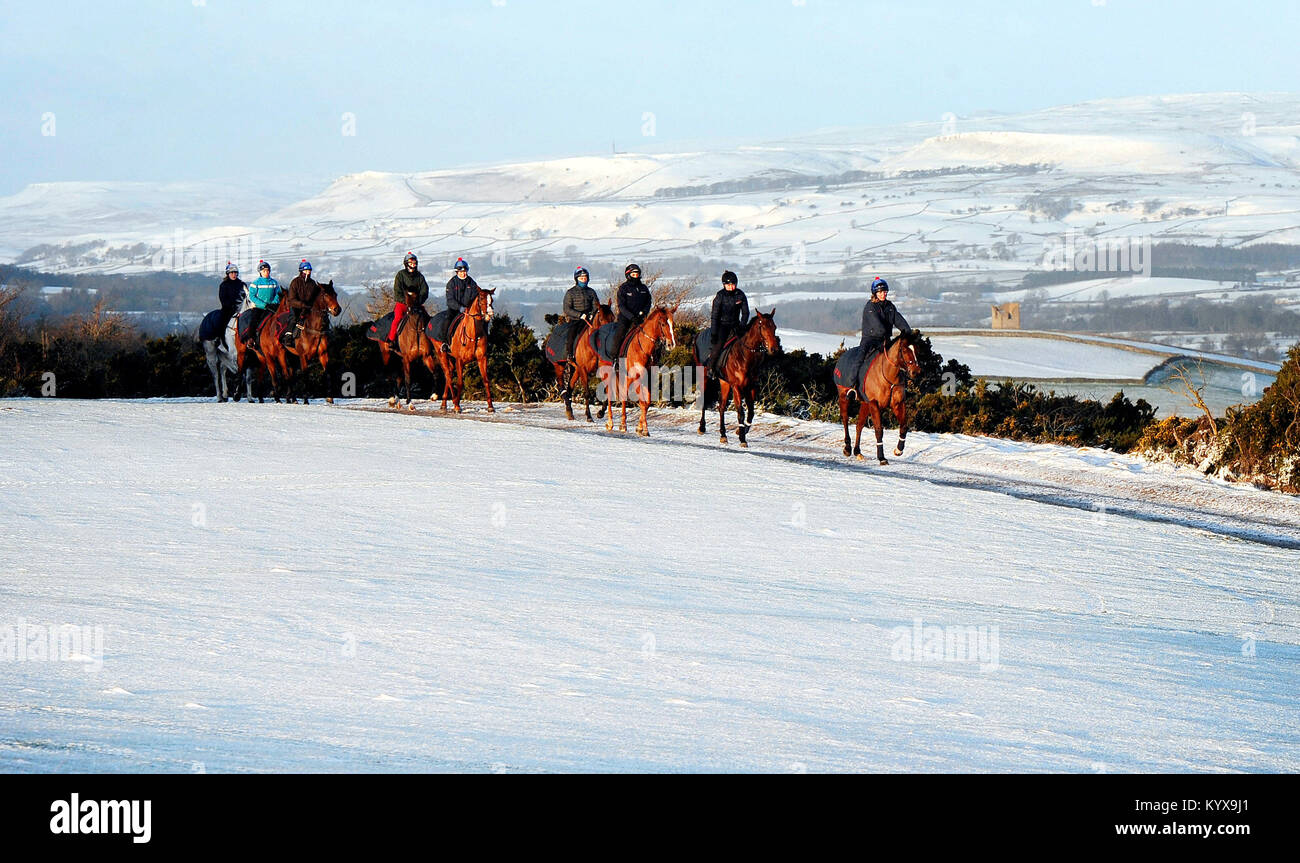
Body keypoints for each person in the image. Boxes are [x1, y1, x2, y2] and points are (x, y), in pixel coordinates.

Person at [855, 276, 913, 384]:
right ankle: (852, 386)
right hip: (870, 340)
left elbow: (899, 320)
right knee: (859, 359)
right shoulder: (870, 307)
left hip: (885, 340)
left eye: (885, 292)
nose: (883, 294)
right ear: (875, 293)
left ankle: (904, 384)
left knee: (900, 358)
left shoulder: (890, 306)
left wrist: (908, 332)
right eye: (880, 292)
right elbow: (878, 326)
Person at [707, 270, 749, 377]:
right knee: (719, 345)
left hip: (736, 325)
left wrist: (742, 326)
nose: (731, 287)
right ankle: (711, 368)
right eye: (728, 285)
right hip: (723, 325)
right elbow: (715, 316)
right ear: (724, 285)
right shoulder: (720, 296)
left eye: (732, 285)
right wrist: (714, 333)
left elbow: (745, 312)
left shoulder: (740, 295)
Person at [434, 258, 480, 352]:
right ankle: (445, 343)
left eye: (465, 271)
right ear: (457, 272)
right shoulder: (451, 283)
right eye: (461, 272)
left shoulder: (472, 283)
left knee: (481, 320)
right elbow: (450, 300)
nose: (464, 273)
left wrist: (470, 308)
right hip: (455, 309)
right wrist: (459, 308)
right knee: (447, 320)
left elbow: (476, 297)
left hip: (469, 310)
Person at [386, 252, 429, 347]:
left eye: (414, 263)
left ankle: (430, 341)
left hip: (417, 304)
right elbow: (397, 291)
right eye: (411, 263)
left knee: (427, 319)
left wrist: (419, 301)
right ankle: (391, 339)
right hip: (402, 304)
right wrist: (406, 301)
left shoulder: (420, 277)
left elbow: (424, 290)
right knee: (397, 318)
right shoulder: (400, 275)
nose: (413, 265)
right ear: (406, 264)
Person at [611, 263, 651, 356]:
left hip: (641, 318)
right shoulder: (623, 288)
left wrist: (644, 313)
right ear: (628, 275)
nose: (635, 276)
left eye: (637, 274)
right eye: (633, 274)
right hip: (626, 318)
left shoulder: (644, 288)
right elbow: (621, 306)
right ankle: (616, 358)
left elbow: (648, 302)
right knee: (620, 335)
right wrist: (632, 317)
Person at [242, 260, 283, 347]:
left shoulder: (274, 282)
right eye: (264, 271)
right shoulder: (255, 283)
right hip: (260, 308)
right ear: (260, 272)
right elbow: (252, 296)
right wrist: (263, 305)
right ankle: (251, 339)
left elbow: (278, 294)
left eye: (268, 270)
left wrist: (273, 303)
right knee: (253, 321)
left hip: (273, 307)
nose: (266, 272)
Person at [282, 260, 321, 347]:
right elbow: (291, 299)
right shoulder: (295, 282)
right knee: (293, 319)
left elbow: (315, 297)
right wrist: (302, 305)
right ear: (301, 271)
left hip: (308, 307)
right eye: (306, 271)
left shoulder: (312, 283)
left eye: (309, 270)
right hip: (296, 307)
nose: (308, 272)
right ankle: (288, 336)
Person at [561, 266, 600, 355]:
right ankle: (569, 356)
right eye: (581, 278)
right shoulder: (570, 292)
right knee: (571, 336)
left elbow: (596, 305)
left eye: (585, 278)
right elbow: (567, 309)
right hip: (576, 320)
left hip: (590, 320)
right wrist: (579, 315)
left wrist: (592, 314)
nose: (583, 280)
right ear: (577, 279)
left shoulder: (591, 292)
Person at [217, 262, 245, 341]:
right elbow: (223, 298)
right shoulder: (224, 285)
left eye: (235, 273)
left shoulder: (242, 284)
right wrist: (231, 306)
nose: (234, 274)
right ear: (228, 274)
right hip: (228, 309)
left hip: (241, 308)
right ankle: (220, 338)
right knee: (222, 321)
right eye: (232, 273)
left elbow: (245, 296)